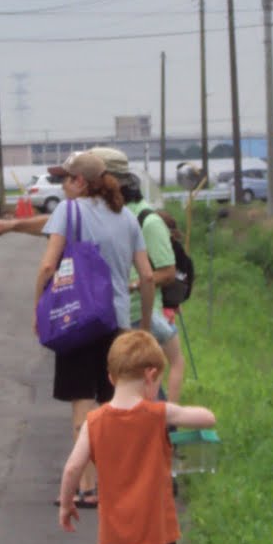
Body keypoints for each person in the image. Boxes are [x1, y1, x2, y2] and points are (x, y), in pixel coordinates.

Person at [58, 329, 216, 544]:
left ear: (111, 378)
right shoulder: (158, 413)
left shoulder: (95, 422)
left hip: (115, 531)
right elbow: (205, 418)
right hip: (157, 529)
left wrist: (66, 504)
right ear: (152, 375)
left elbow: (72, 468)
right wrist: (191, 412)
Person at [0, 146, 185, 400]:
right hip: (118, 319)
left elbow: (163, 272)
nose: (64, 184)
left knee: (117, 396)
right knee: (121, 399)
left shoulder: (138, 217)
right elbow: (57, 224)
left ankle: (161, 420)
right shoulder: (119, 214)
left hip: (105, 315)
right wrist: (13, 225)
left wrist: (40, 310)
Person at [35, 151, 155, 508]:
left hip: (78, 320)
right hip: (116, 324)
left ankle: (86, 489)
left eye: (65, 179)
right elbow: (147, 276)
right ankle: (116, 487)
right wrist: (143, 326)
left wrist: (39, 309)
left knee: (83, 406)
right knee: (114, 406)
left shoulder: (67, 211)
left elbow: (47, 267)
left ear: (80, 182)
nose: (62, 185)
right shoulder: (127, 217)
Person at [87, 147, 186, 401]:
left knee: (144, 383)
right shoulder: (104, 215)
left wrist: (133, 285)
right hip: (112, 314)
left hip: (138, 314)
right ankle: (158, 420)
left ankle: (164, 421)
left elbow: (167, 272)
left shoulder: (146, 220)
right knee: (130, 386)